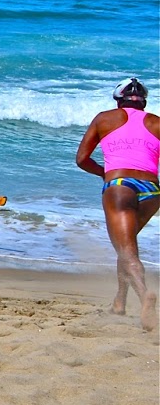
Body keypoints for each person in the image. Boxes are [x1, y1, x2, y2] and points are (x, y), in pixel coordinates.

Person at [75, 77, 159, 330]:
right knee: (126, 245)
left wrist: (104, 173)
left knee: (126, 250)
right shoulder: (157, 123)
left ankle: (145, 295)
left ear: (118, 99)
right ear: (143, 101)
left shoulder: (104, 119)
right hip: (152, 191)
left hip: (120, 187)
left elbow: (81, 159)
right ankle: (119, 303)